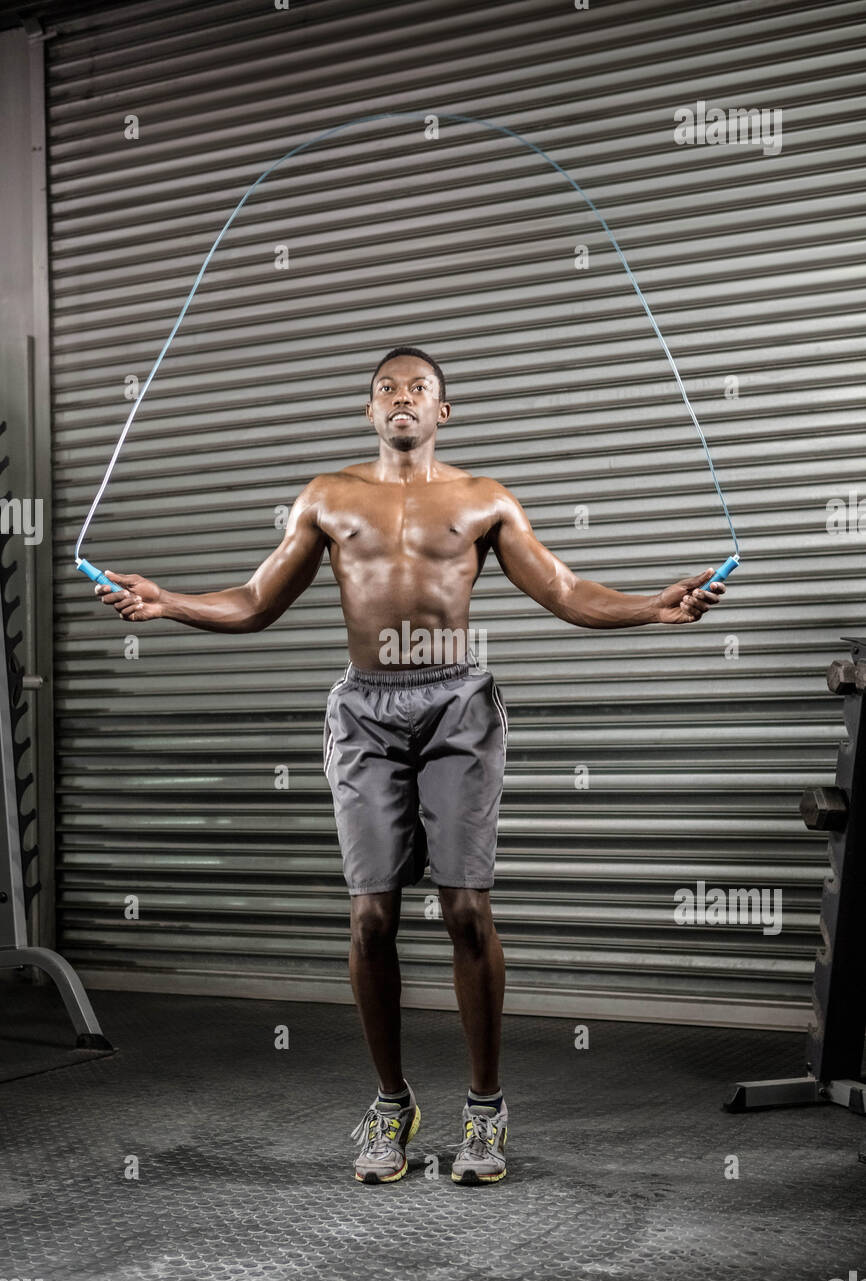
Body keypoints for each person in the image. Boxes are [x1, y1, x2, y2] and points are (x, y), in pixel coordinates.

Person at [95, 345, 727, 1186]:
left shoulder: (483, 499)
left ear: (444, 412)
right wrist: (167, 601)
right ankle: (392, 1103)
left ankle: (485, 1107)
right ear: (369, 411)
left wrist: (653, 606)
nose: (402, 398)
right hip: (364, 710)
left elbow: (566, 589)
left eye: (419, 389)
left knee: (466, 910)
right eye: (386, 388)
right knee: (371, 920)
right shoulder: (328, 497)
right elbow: (253, 603)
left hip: (456, 703)